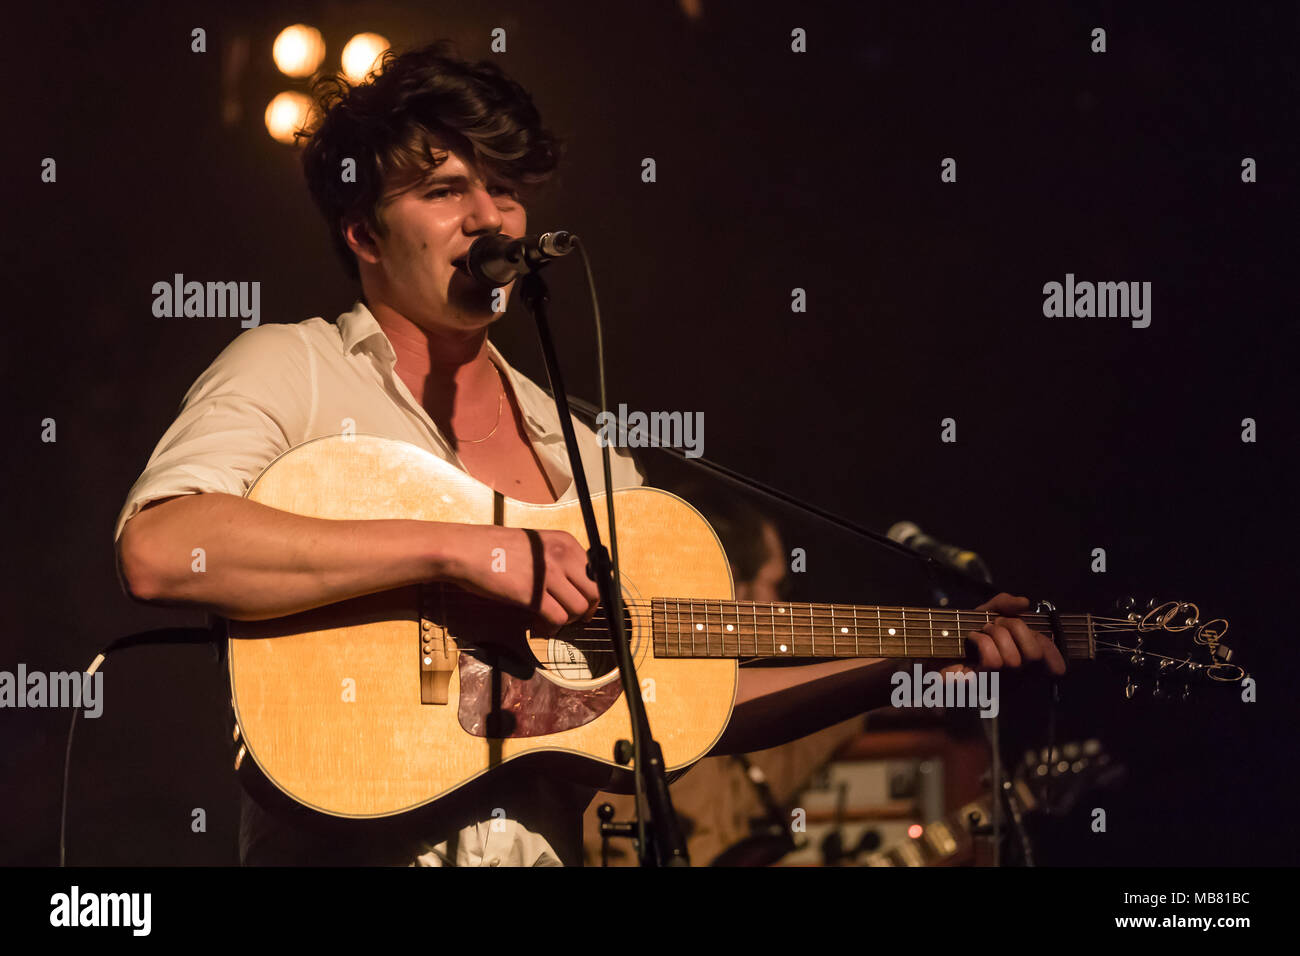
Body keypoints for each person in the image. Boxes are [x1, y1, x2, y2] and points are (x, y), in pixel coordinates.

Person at [113, 41, 1065, 867]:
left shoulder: (584, 456)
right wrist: (465, 552)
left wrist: (924, 657)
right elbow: (161, 549)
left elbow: (690, 700)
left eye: (505, 189)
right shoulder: (296, 367)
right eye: (446, 191)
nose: (491, 217)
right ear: (363, 232)